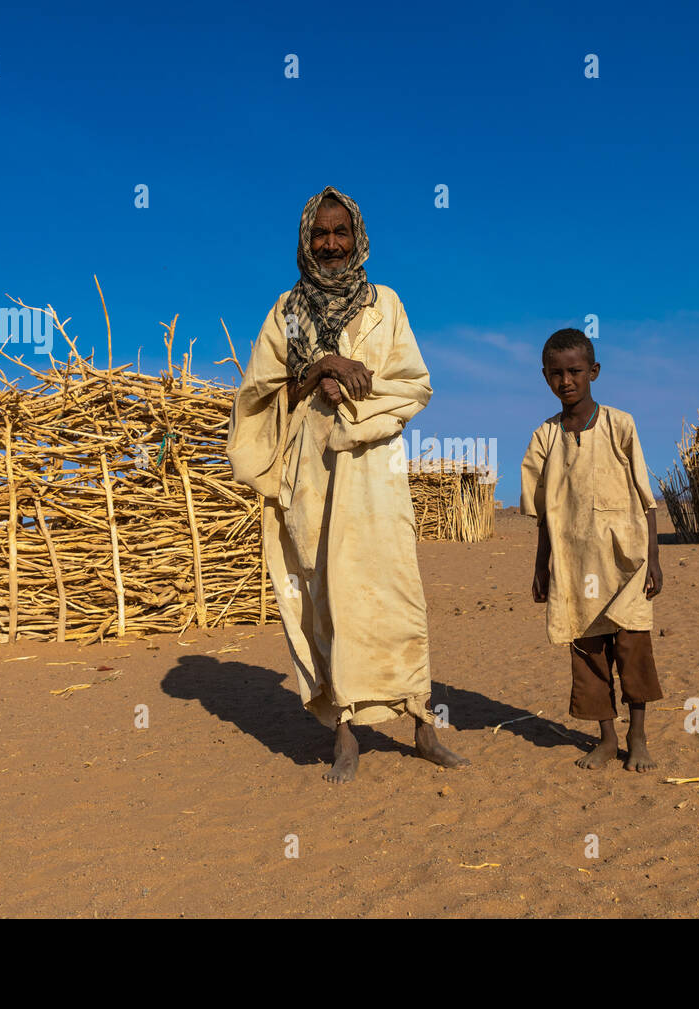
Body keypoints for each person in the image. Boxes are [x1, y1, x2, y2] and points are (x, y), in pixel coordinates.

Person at [225, 185, 468, 783]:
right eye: (320, 234)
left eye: (341, 233)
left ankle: (423, 726)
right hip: (311, 468)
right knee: (325, 592)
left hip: (375, 469)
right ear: (305, 241)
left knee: (394, 589)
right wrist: (322, 368)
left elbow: (414, 385)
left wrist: (356, 397)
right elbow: (261, 393)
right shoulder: (286, 310)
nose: (331, 244)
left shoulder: (386, 304)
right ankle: (345, 735)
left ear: (358, 238)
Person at [520, 328, 664, 771]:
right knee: (588, 652)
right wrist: (541, 566)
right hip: (573, 565)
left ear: (594, 372)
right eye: (556, 374)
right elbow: (543, 513)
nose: (566, 381)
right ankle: (606, 738)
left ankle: (637, 736)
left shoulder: (620, 425)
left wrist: (655, 559)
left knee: (632, 648)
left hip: (625, 562)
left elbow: (646, 498)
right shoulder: (544, 438)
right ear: (545, 376)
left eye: (575, 371)